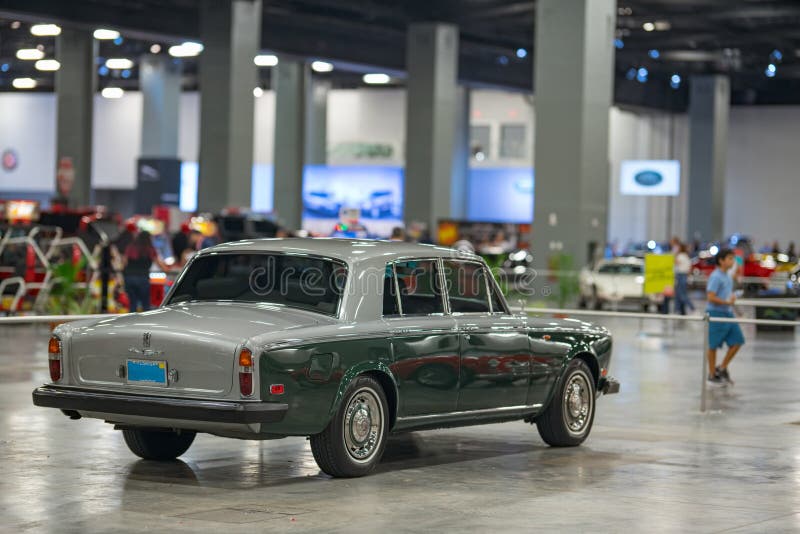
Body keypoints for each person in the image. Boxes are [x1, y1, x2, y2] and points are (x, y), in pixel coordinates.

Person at [705, 248, 744, 385]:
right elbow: (710, 297)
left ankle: (722, 368)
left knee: (738, 341)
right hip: (715, 313)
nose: (732, 261)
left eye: (733, 259)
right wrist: (726, 302)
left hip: (728, 313)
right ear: (721, 261)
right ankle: (711, 374)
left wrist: (732, 302)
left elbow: (727, 294)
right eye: (730, 259)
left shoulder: (728, 276)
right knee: (713, 345)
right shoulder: (715, 276)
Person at [123, 231, 169, 312]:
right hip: (143, 278)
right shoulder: (150, 249)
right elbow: (160, 265)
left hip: (129, 277)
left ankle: (131, 322)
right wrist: (168, 270)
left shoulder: (131, 247)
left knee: (133, 304)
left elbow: (124, 262)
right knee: (145, 305)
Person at [674, 242, 694, 315]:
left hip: (680, 275)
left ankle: (692, 307)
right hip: (685, 275)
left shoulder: (680, 256)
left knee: (681, 294)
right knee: (680, 294)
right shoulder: (686, 256)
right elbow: (689, 268)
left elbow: (675, 262)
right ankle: (679, 309)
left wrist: (675, 255)